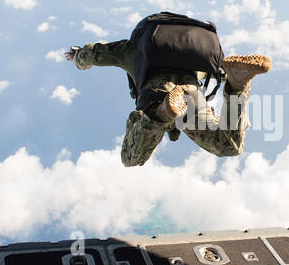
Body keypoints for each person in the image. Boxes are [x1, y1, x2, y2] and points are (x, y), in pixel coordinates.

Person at [67, 17, 272, 167]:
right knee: (228, 144)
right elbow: (222, 72)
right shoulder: (197, 57)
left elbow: (94, 54)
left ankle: (162, 114)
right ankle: (238, 85)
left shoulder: (129, 49)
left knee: (131, 158)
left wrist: (77, 58)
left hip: (155, 93)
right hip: (190, 93)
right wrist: (230, 79)